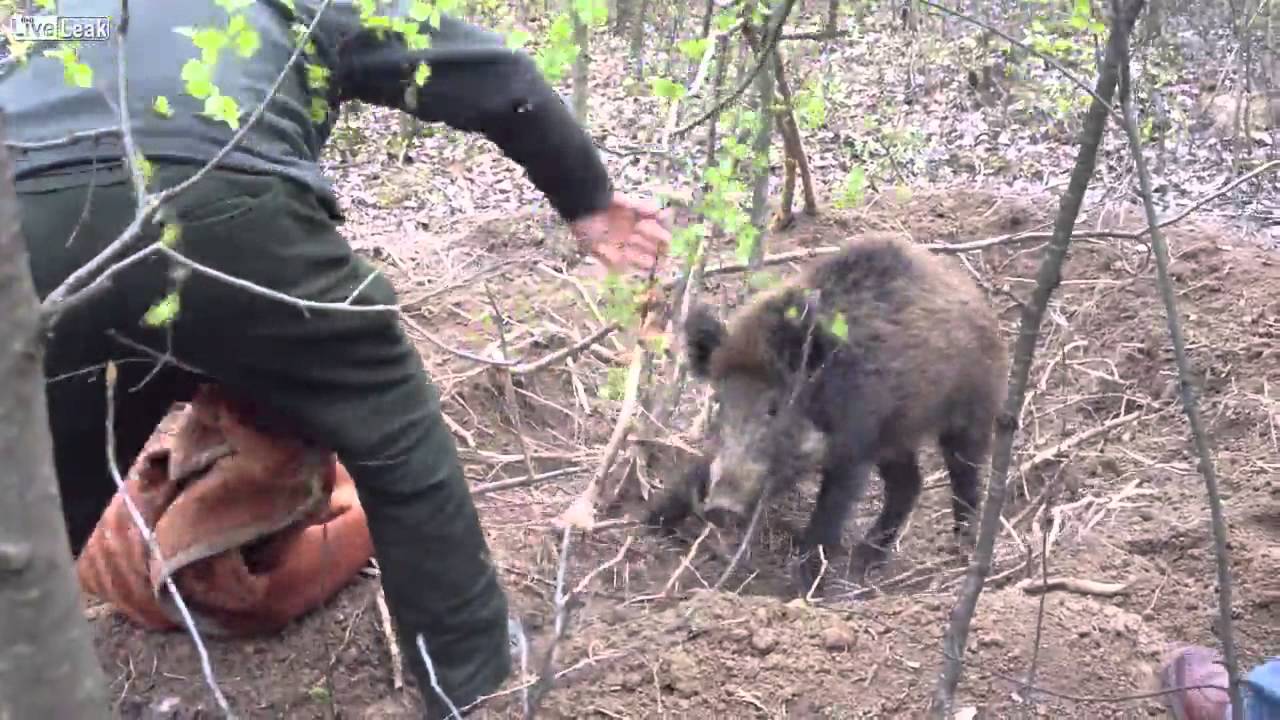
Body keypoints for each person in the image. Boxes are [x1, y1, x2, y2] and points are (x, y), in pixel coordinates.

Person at [1, 0, 670, 715]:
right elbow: (496, 75)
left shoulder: (71, 14)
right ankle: (474, 681)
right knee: (389, 427)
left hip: (31, 227)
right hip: (227, 207)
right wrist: (590, 203)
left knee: (35, 477)